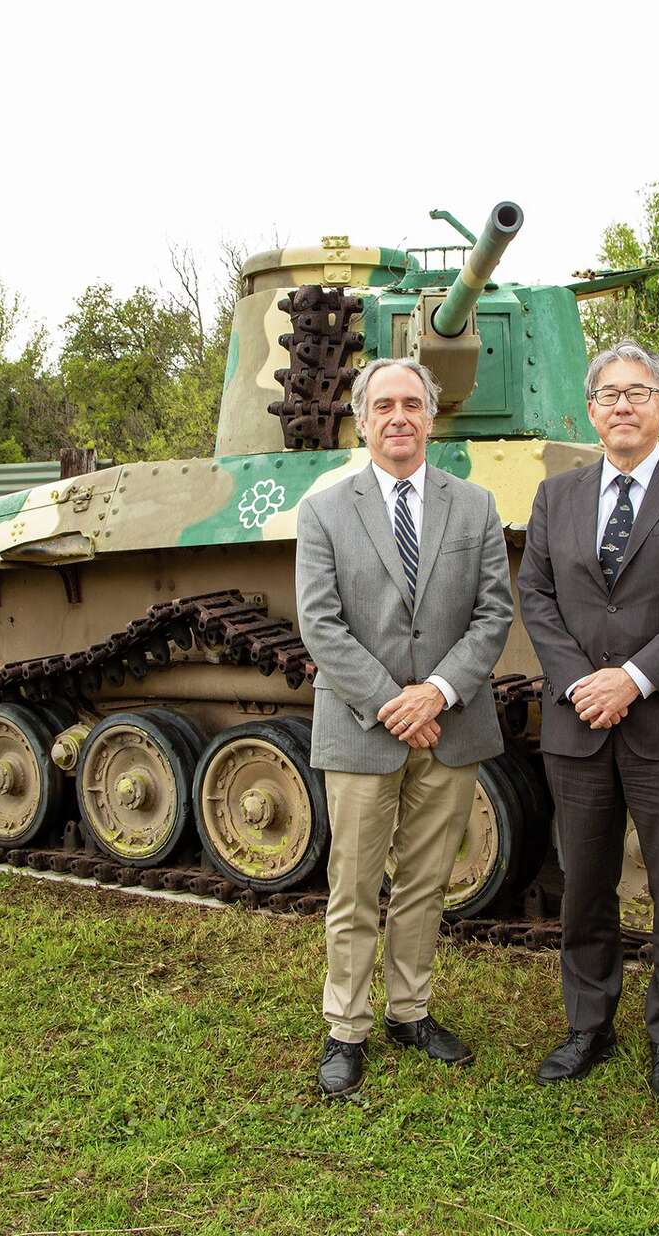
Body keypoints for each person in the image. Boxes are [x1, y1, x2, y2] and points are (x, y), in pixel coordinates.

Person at [516, 339, 659, 1104]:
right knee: (585, 883)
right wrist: (583, 683)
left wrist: (633, 679)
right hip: (578, 720)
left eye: (638, 393)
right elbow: (537, 597)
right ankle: (589, 1026)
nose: (622, 405)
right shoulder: (558, 496)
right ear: (591, 411)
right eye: (609, 394)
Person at [294, 356, 515, 1099]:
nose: (398, 417)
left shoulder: (475, 506)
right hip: (363, 725)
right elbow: (321, 624)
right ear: (362, 420)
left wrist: (438, 694)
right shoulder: (325, 510)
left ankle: (410, 1011)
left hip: (450, 725)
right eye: (383, 405)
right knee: (354, 885)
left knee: (425, 882)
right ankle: (345, 1027)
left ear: (430, 416)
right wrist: (396, 701)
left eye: (412, 404)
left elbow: (494, 614)